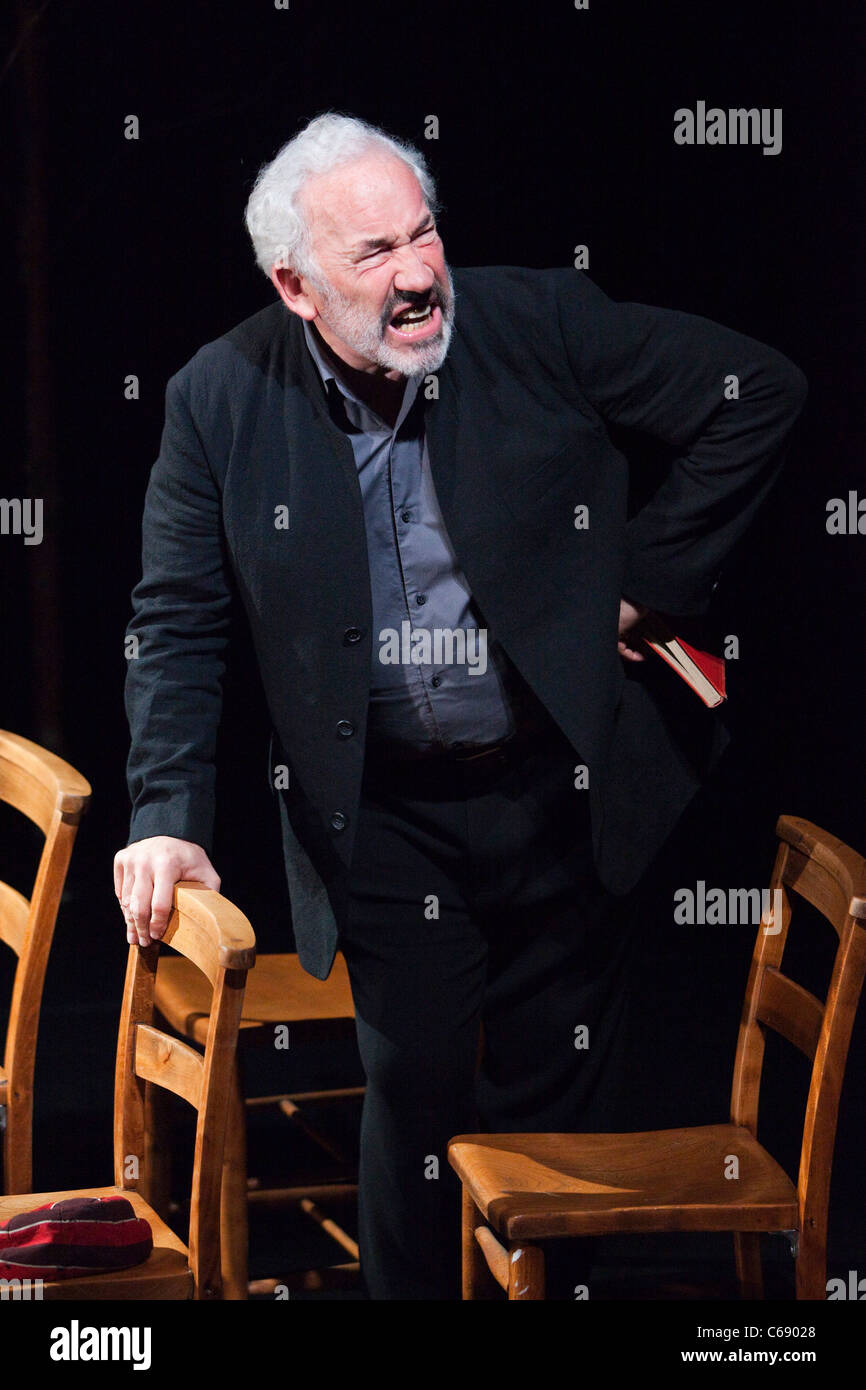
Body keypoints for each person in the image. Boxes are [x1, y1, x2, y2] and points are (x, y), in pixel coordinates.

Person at [114, 112, 807, 1299]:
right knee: (419, 1106)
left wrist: (637, 585)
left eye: (423, 233)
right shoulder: (217, 400)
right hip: (383, 815)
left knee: (555, 1124)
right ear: (294, 283)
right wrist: (165, 810)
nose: (418, 273)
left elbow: (757, 391)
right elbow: (176, 617)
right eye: (372, 254)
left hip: (557, 787)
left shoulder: (536, 320)